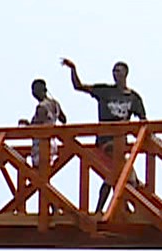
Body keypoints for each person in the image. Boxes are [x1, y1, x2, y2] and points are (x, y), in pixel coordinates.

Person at [60, 58, 147, 214]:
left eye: (118, 71)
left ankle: (110, 209)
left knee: (116, 176)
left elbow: (143, 122)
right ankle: (124, 206)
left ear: (126, 74)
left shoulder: (133, 98)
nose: (115, 74)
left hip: (121, 143)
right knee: (125, 173)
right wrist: (73, 69)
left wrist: (145, 138)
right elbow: (79, 86)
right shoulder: (105, 91)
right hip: (106, 141)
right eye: (113, 71)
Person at [18, 77, 68, 168]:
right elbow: (63, 119)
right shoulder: (55, 103)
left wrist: (26, 124)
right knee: (45, 172)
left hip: (40, 144)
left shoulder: (41, 107)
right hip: (52, 142)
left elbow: (36, 127)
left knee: (38, 174)